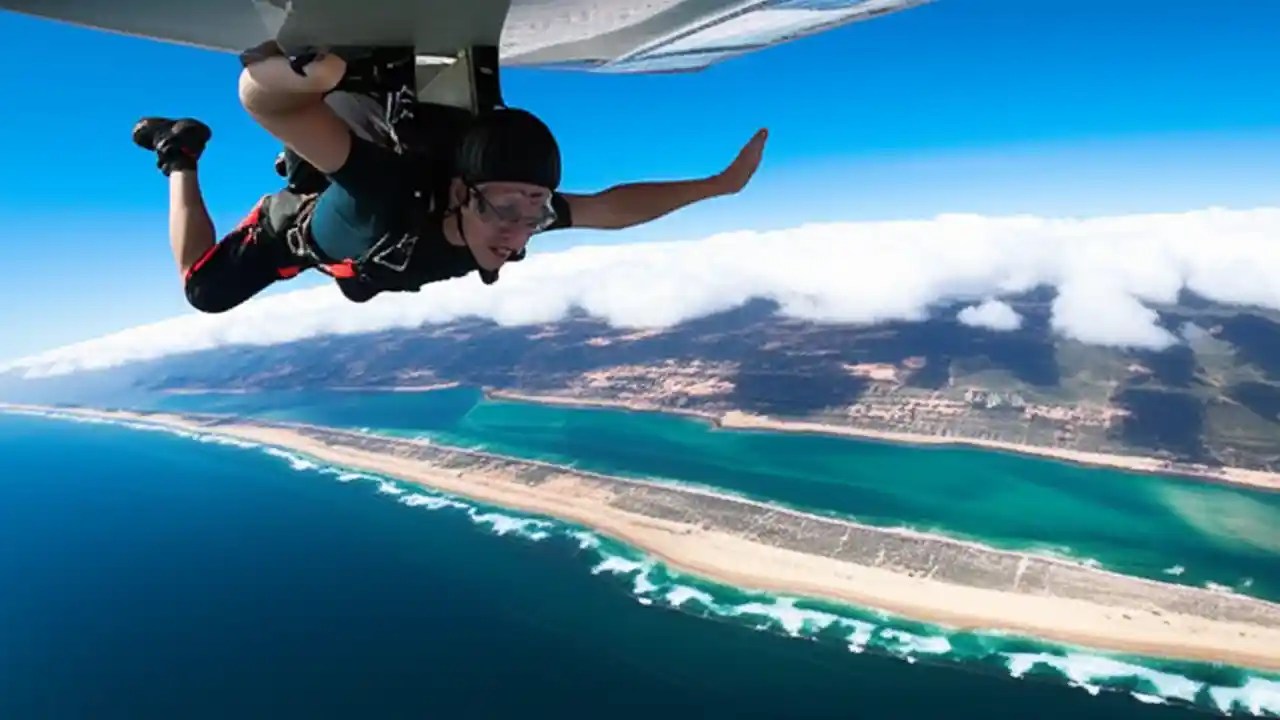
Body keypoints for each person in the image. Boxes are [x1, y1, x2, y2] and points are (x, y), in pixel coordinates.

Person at [132, 44, 769, 314]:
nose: (522, 234)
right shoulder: (386, 192)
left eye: (536, 209)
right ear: (464, 192)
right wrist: (305, 75)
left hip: (374, 255)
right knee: (204, 291)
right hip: (312, 236)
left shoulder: (503, 209)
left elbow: (609, 209)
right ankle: (179, 153)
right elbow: (266, 104)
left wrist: (717, 186)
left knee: (361, 268)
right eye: (511, 211)